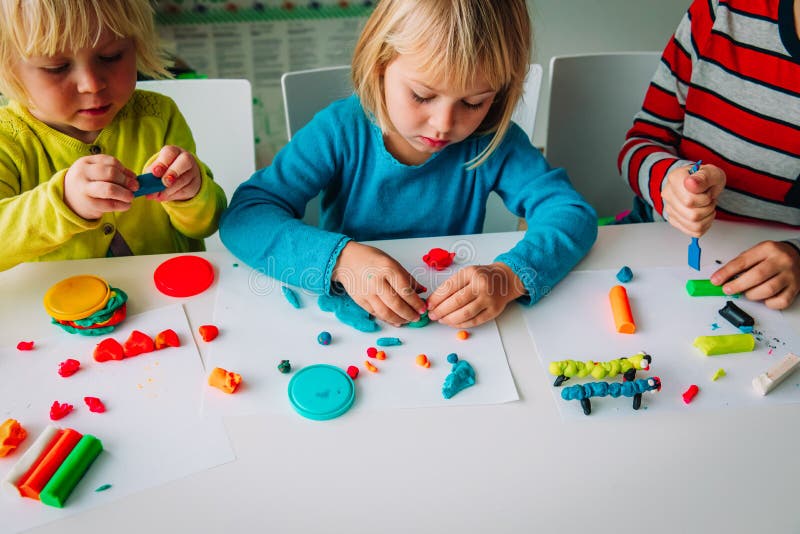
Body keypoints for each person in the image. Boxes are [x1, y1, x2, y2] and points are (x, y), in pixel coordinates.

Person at [221, 0, 597, 328]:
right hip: (346, 324)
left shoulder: (493, 139)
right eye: (422, 95)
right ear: (380, 65)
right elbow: (245, 219)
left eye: (473, 102)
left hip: (453, 330)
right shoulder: (339, 130)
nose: (444, 124)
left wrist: (508, 276)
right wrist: (342, 262)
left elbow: (571, 214)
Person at [0, 0, 227, 271]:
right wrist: (63, 202)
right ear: (9, 68)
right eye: (57, 67)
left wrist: (193, 192)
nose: (92, 84)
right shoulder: (7, 140)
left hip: (168, 301)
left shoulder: (159, 116)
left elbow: (208, 223)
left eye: (111, 56)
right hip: (58, 308)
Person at [618, 0, 800, 309]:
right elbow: (640, 143)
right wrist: (666, 184)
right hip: (655, 244)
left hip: (777, 289)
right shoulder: (719, 11)